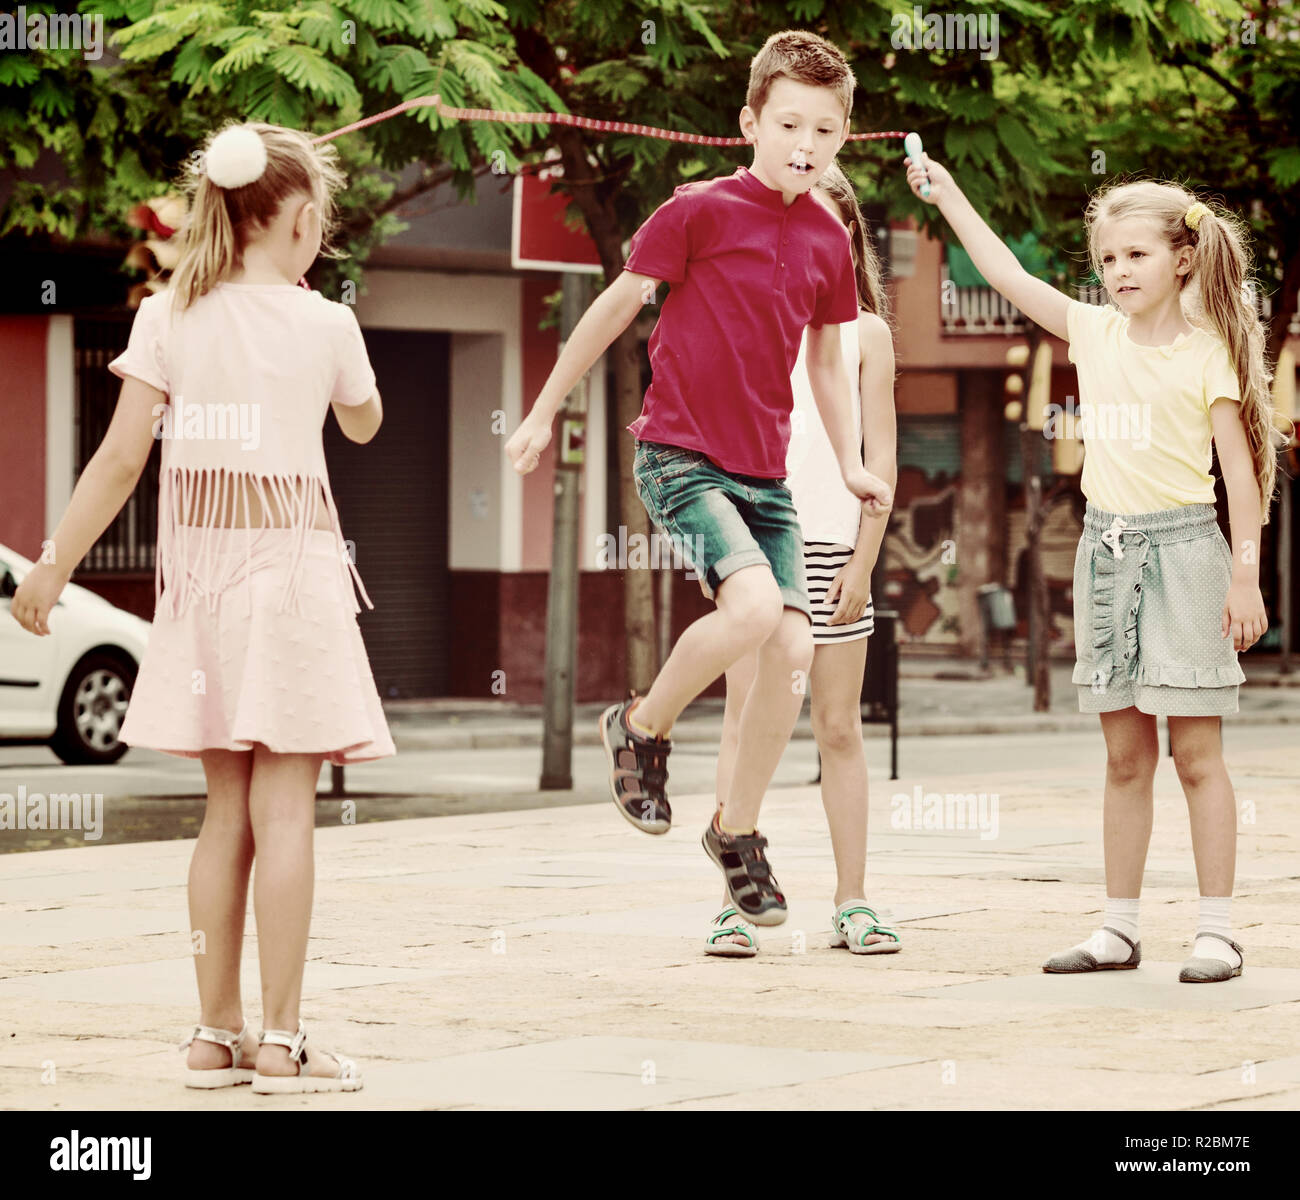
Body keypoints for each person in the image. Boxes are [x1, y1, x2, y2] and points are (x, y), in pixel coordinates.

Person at [12, 121, 393, 1089]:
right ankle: (282, 1038)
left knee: (224, 810)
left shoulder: (166, 315)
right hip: (294, 587)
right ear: (303, 221)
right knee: (289, 813)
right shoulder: (326, 323)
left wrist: (54, 567)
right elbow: (362, 423)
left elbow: (121, 458)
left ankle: (212, 1036)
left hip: (203, 591)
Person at [506, 30, 892, 928]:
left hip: (765, 479)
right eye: (789, 122)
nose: (806, 143)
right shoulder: (700, 210)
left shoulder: (832, 241)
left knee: (792, 656)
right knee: (756, 614)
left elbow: (830, 366)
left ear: (843, 140)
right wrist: (540, 410)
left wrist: (850, 462)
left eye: (826, 130)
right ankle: (640, 726)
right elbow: (614, 307)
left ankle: (737, 832)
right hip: (679, 452)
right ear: (750, 121)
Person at [903, 151, 1282, 983]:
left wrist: (1246, 577)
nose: (1118, 272)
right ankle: (1118, 927)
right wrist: (951, 194)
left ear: (1182, 256)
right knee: (1122, 756)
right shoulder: (1092, 329)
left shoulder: (1208, 350)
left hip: (1186, 553)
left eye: (1136, 255)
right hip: (1105, 553)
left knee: (1195, 755)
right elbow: (1002, 273)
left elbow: (1244, 478)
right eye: (1107, 260)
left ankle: (1217, 930)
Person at [705, 163, 899, 958]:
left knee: (838, 728)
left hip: (833, 545)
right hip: (755, 545)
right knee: (742, 724)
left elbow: (878, 458)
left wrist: (861, 565)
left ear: (847, 236)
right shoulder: (747, 312)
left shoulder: (869, 335)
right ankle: (732, 904)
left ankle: (853, 901)